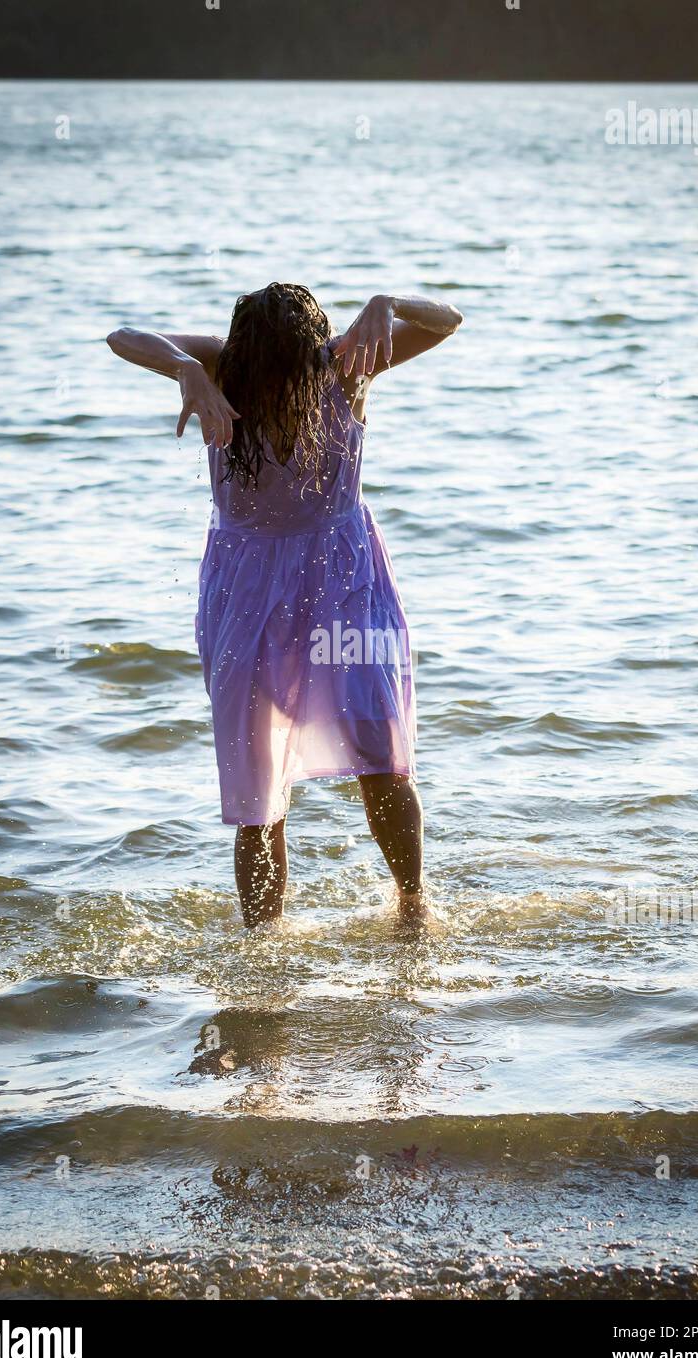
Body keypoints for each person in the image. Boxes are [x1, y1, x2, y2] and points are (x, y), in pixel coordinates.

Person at [107, 285, 462, 927]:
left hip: (343, 584)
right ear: (240, 355)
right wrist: (186, 369)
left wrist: (389, 302)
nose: (274, 381)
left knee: (380, 753)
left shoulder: (345, 363)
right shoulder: (220, 366)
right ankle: (264, 942)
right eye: (260, 366)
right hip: (247, 590)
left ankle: (413, 905)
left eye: (290, 366)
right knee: (258, 783)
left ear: (312, 355)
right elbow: (122, 337)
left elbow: (446, 322)